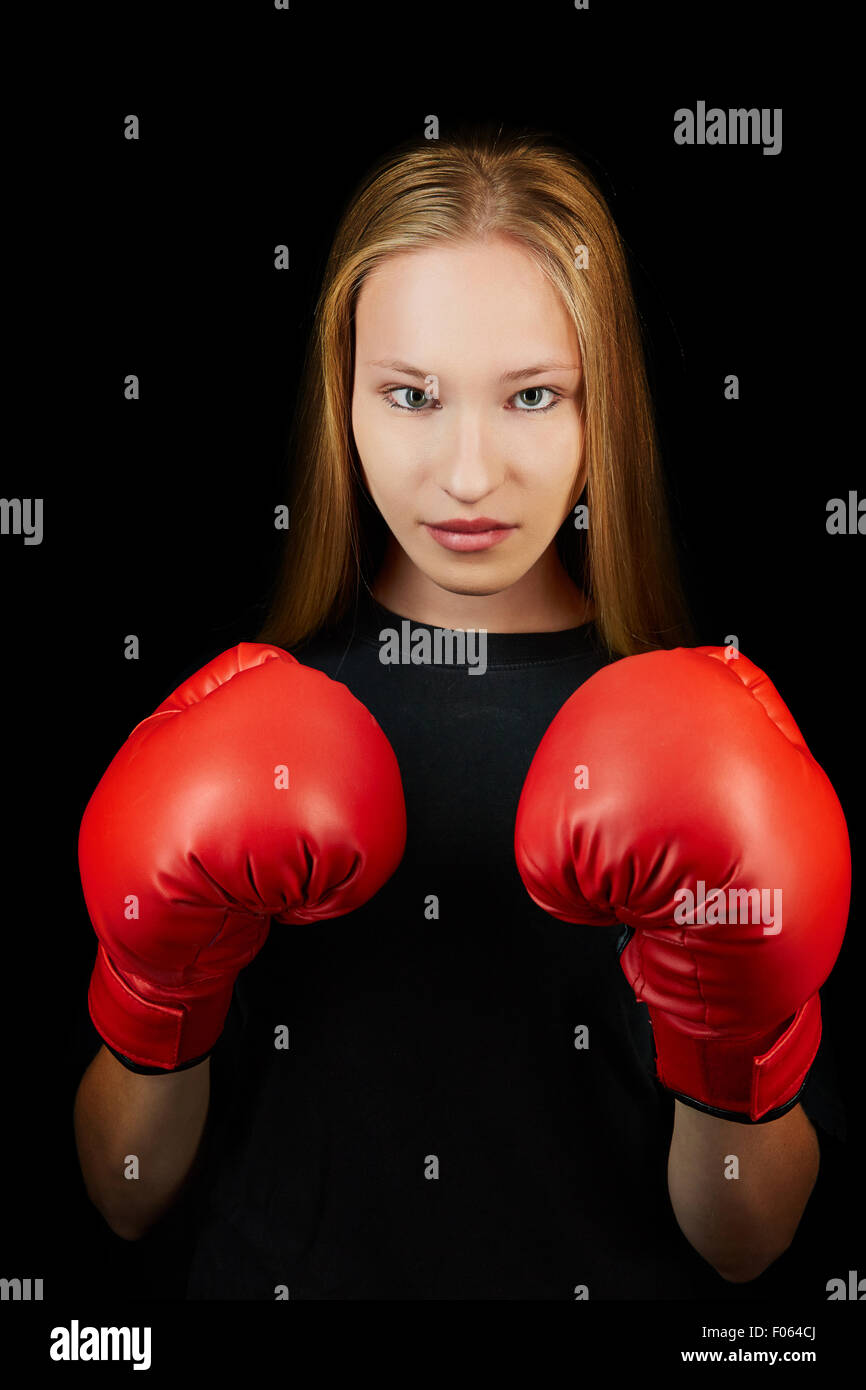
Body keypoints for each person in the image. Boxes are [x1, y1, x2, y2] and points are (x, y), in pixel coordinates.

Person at [74, 126, 850, 1300]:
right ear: (344, 403)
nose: (470, 472)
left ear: (604, 415)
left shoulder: (705, 742)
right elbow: (125, 1196)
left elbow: (744, 1244)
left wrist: (734, 1042)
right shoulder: (241, 723)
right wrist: (156, 987)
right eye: (412, 395)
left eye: (533, 394)